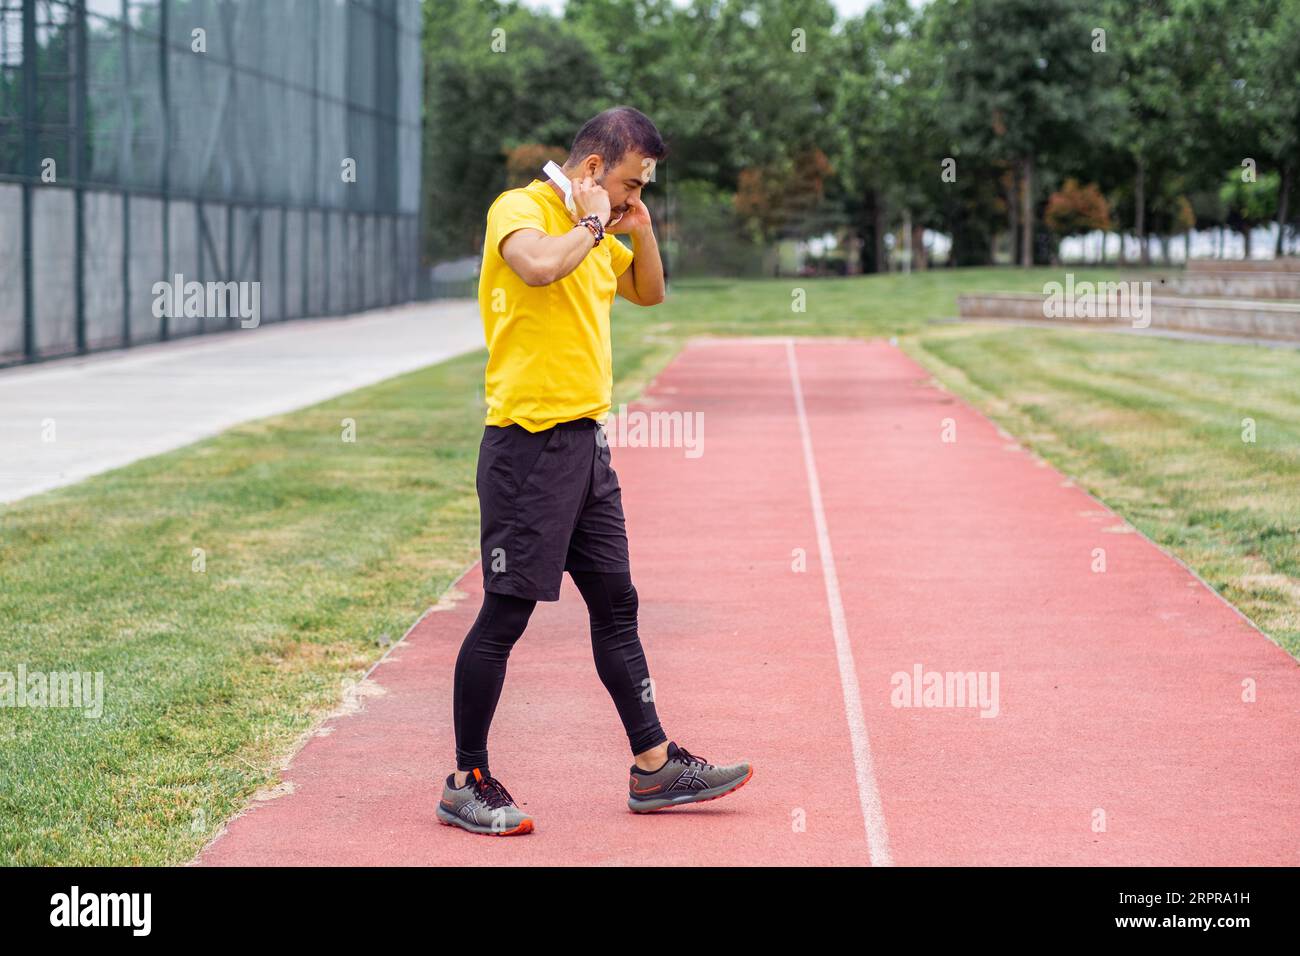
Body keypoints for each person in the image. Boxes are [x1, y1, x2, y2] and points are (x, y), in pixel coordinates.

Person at [436, 107, 753, 836]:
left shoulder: (606, 229)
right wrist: (587, 223)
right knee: (506, 614)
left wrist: (636, 228)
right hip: (526, 448)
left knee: (617, 606)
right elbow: (539, 268)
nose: (637, 194)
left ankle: (654, 766)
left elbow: (649, 291)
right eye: (631, 182)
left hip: (586, 447)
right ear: (590, 170)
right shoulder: (520, 211)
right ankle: (465, 778)